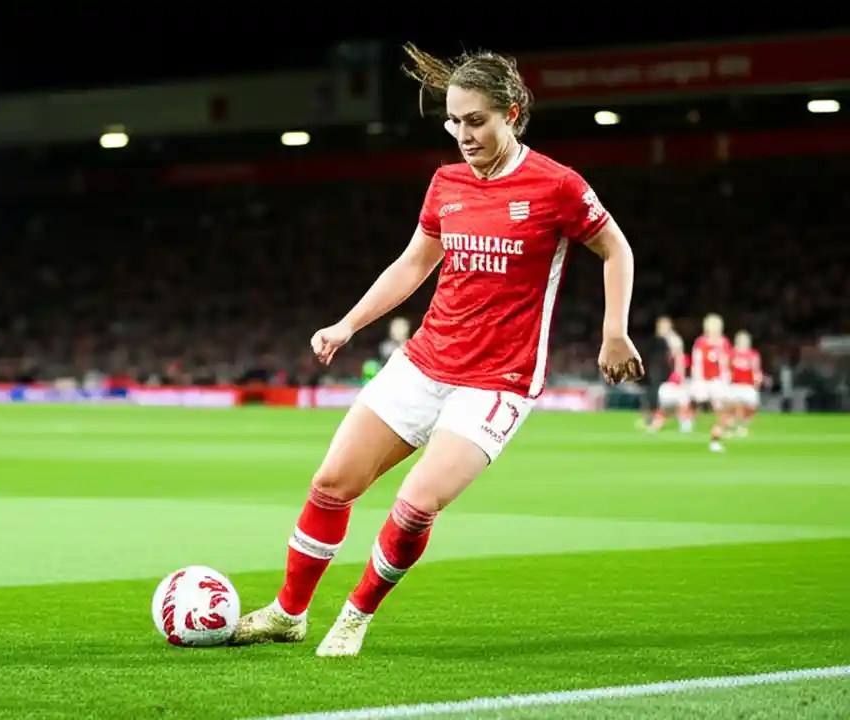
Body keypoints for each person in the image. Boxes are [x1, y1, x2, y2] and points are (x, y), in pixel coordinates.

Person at [229, 44, 644, 657]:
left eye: (476, 121)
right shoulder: (446, 183)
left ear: (513, 113)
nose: (463, 135)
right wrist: (347, 325)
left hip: (498, 381)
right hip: (424, 361)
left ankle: (355, 616)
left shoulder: (557, 185)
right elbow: (413, 265)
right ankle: (288, 614)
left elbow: (616, 248)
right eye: (453, 122)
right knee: (332, 482)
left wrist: (614, 330)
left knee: (415, 505)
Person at [690, 313, 732, 452]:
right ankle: (694, 425)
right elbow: (697, 362)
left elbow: (726, 363)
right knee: (701, 403)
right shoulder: (701, 342)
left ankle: (716, 432)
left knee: (721, 407)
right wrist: (697, 379)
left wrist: (726, 379)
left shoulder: (724, 342)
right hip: (703, 380)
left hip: (717, 380)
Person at [726, 330, 762, 436]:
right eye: (741, 340)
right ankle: (732, 427)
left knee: (751, 407)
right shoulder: (732, 353)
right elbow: (726, 368)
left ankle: (742, 426)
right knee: (734, 407)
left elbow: (756, 369)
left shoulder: (753, 354)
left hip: (748, 386)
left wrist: (757, 380)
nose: (743, 342)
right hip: (735, 385)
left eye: (745, 340)